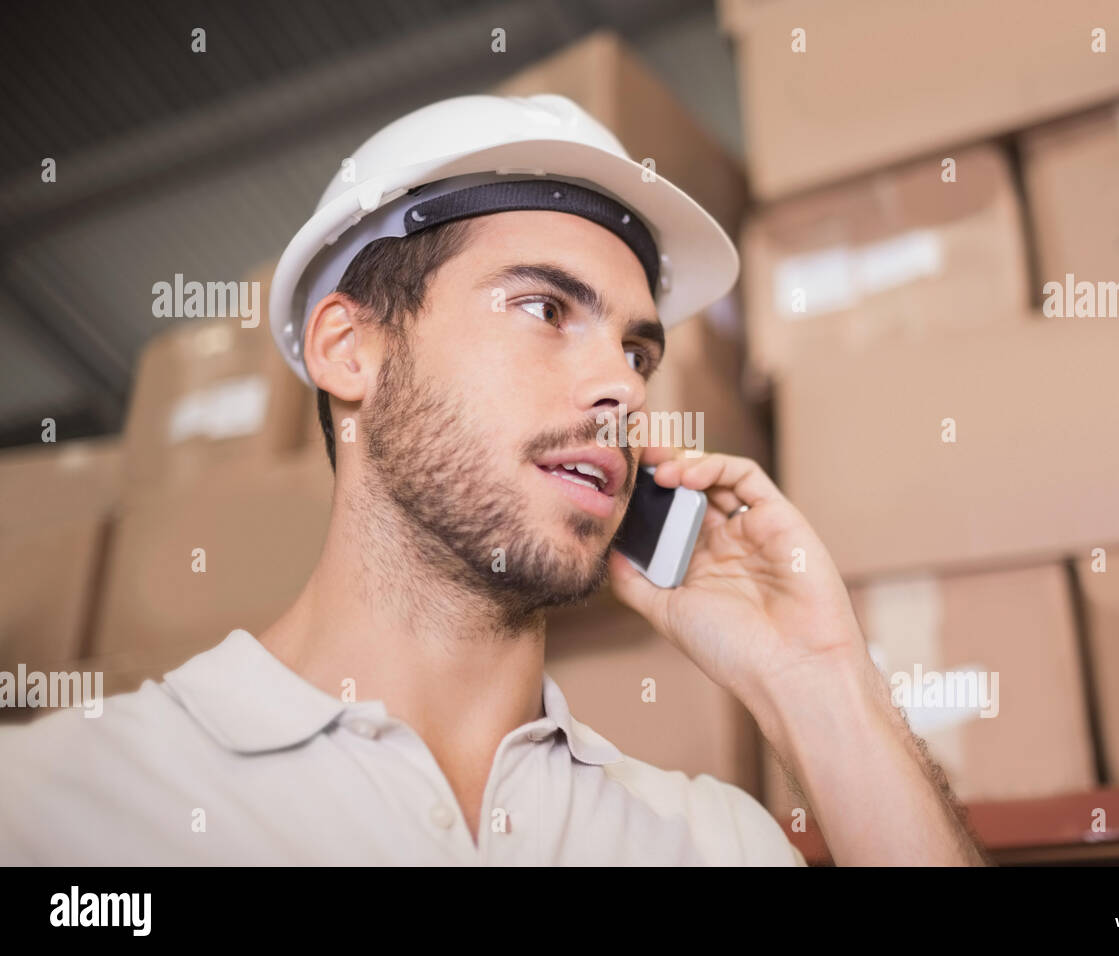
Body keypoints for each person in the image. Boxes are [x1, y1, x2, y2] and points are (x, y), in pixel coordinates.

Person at [0, 94, 986, 866]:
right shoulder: (57, 804)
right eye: (545, 308)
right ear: (350, 349)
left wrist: (813, 682)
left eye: (638, 352)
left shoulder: (713, 841)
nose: (621, 388)